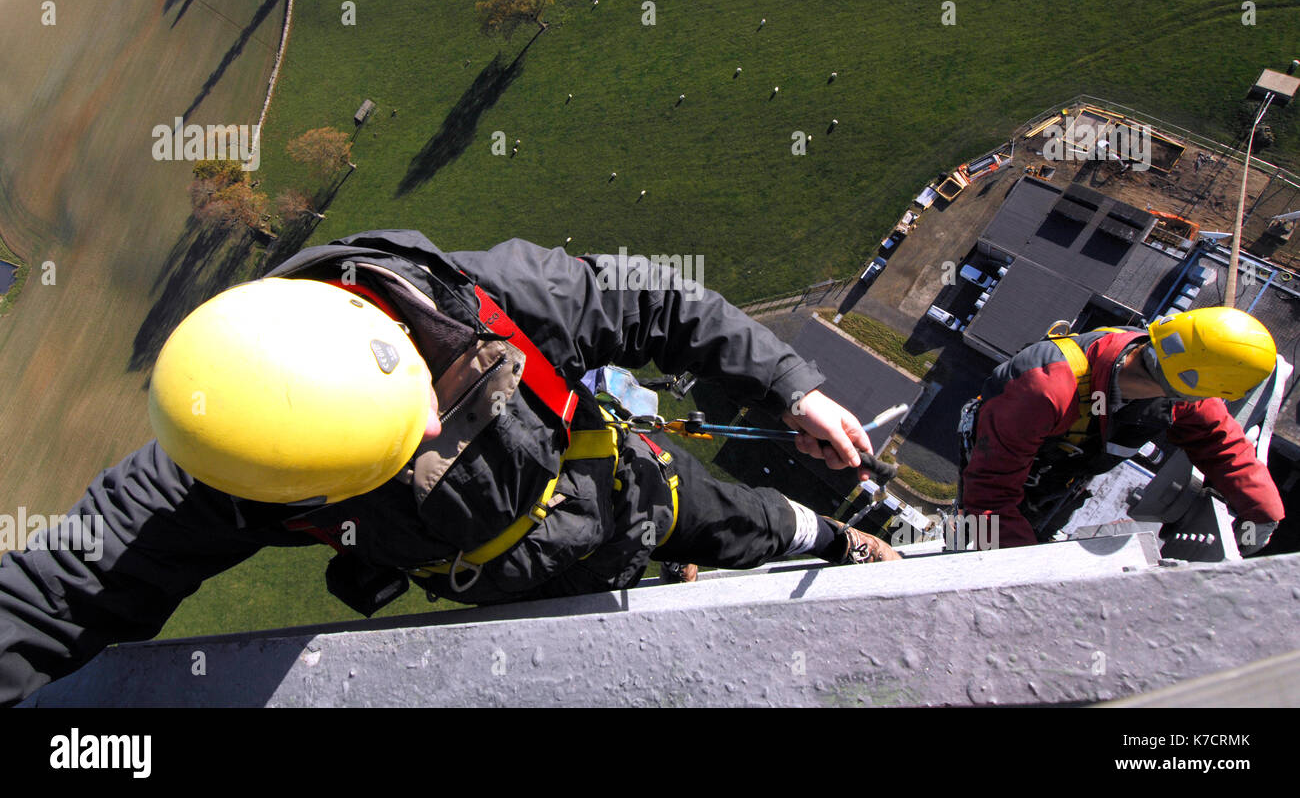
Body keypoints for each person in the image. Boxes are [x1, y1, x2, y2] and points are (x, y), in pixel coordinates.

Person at [0, 231, 899, 706]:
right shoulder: (234, 461)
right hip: (516, 595)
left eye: (422, 407)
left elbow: (658, 298)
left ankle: (836, 538)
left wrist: (790, 385)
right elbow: (57, 589)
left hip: (631, 490)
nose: (431, 423)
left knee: (754, 521)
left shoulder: (485, 297)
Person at [957, 307, 1285, 551]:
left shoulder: (1175, 381)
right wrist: (1026, 570)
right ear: (1189, 389)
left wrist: (1262, 511)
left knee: (1041, 514)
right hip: (998, 473)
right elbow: (989, 495)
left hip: (1058, 471)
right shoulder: (1043, 390)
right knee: (974, 536)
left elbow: (1220, 442)